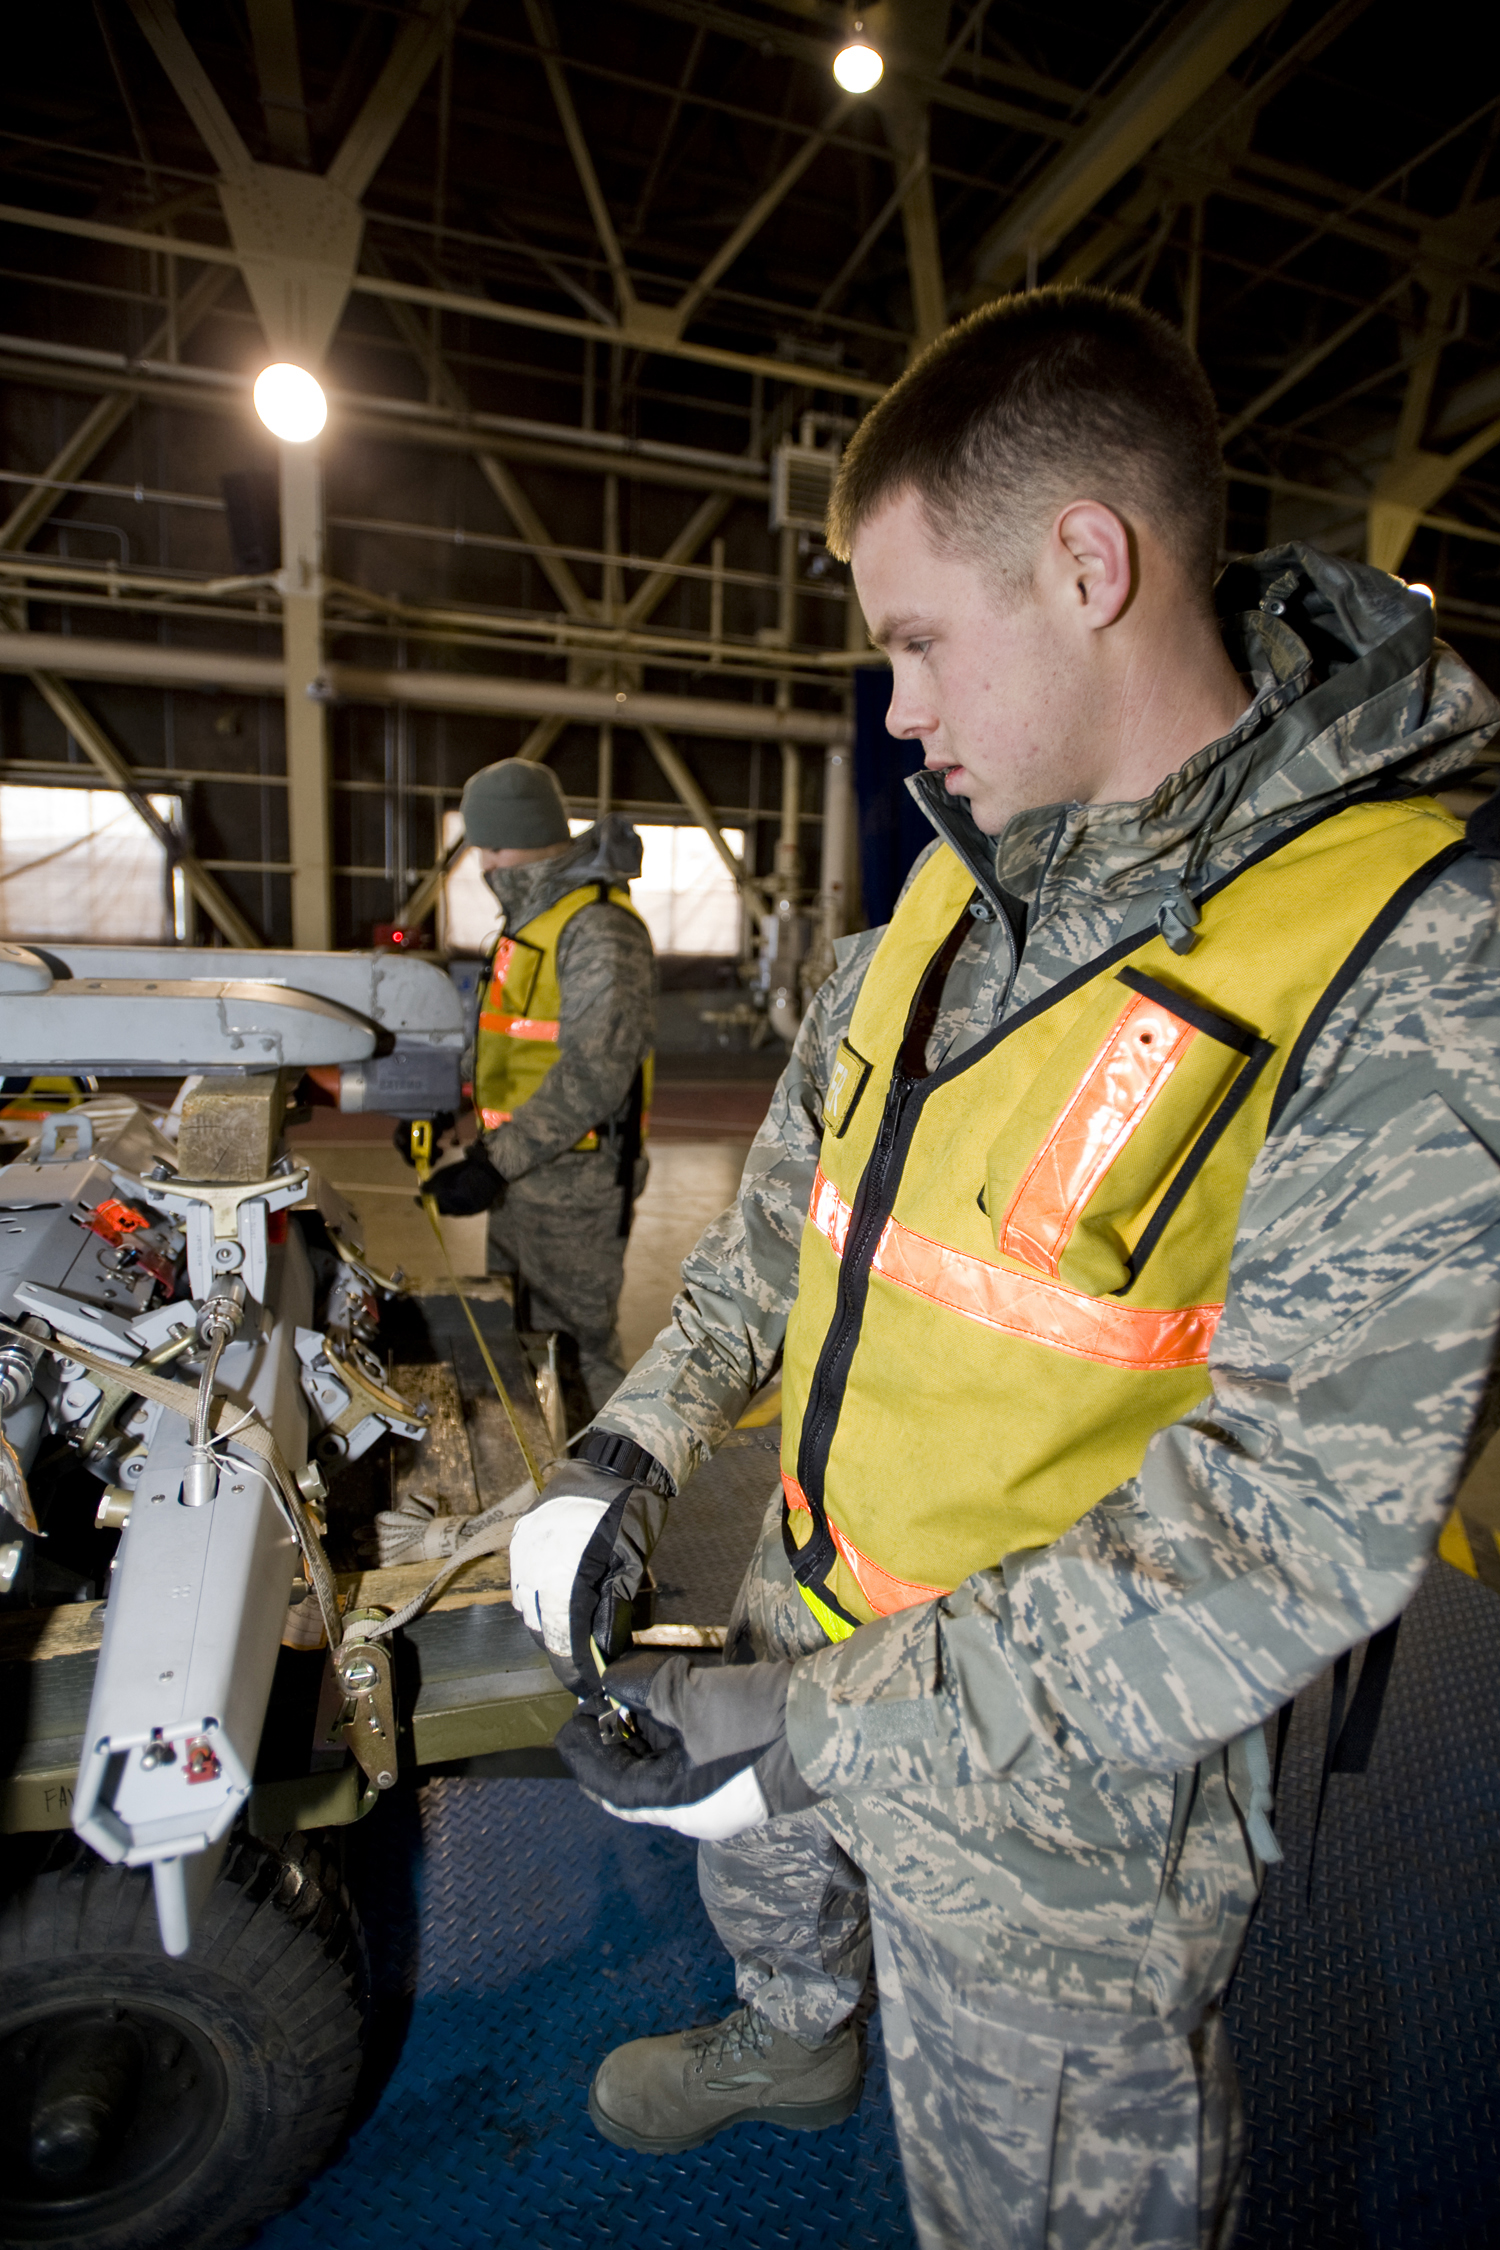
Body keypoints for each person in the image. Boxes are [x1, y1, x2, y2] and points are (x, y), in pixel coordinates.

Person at [508, 287, 1500, 2249]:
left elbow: (1292, 1531)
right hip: (808, 1612)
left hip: (1062, 1783)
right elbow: (795, 1212)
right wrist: (631, 1445)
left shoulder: (1407, 952)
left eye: (916, 642)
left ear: (1087, 563)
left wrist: (817, 1728)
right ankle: (799, 2032)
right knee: (772, 1890)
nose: (901, 712)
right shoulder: (957, 884)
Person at [423, 758, 655, 1418]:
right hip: (523, 1169)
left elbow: (594, 1073)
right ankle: (548, 1484)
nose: (484, 864)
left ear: (506, 841)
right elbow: (513, 1043)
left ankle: (615, 1492)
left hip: (574, 1184)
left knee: (577, 1347)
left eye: (487, 847)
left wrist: (493, 1163)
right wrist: (453, 1114)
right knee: (521, 1330)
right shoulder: (534, 920)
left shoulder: (597, 928)